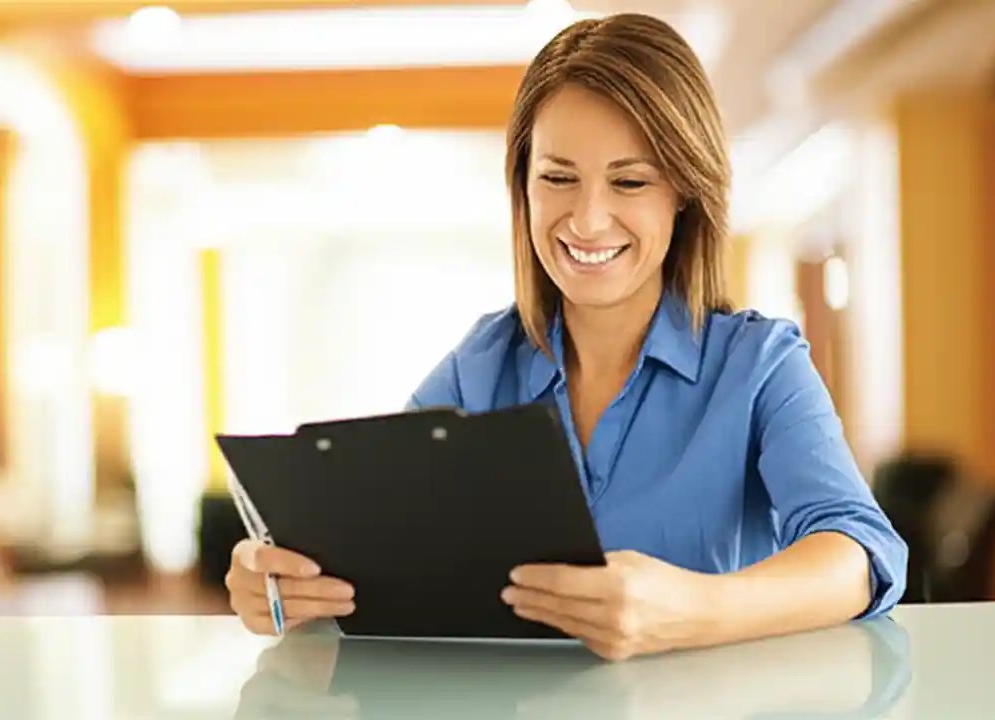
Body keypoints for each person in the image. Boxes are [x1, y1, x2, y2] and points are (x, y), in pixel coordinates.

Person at [225, 12, 907, 661]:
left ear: (685, 193)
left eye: (630, 181)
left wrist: (693, 610)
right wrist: (274, 576)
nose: (587, 220)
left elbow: (862, 553)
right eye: (557, 178)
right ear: (523, 187)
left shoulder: (759, 366)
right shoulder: (479, 368)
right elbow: (377, 536)